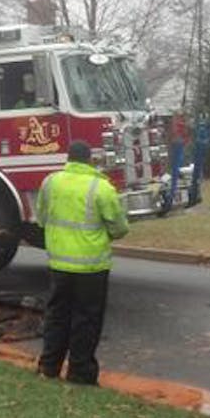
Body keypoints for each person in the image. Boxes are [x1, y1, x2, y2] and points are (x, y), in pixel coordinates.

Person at [35, 140, 129, 385]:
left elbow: (41, 219)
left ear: (69, 158)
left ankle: (48, 367)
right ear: (90, 160)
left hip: (59, 265)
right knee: (86, 321)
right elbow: (119, 229)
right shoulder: (102, 188)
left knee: (57, 316)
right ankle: (80, 372)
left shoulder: (50, 183)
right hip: (92, 268)